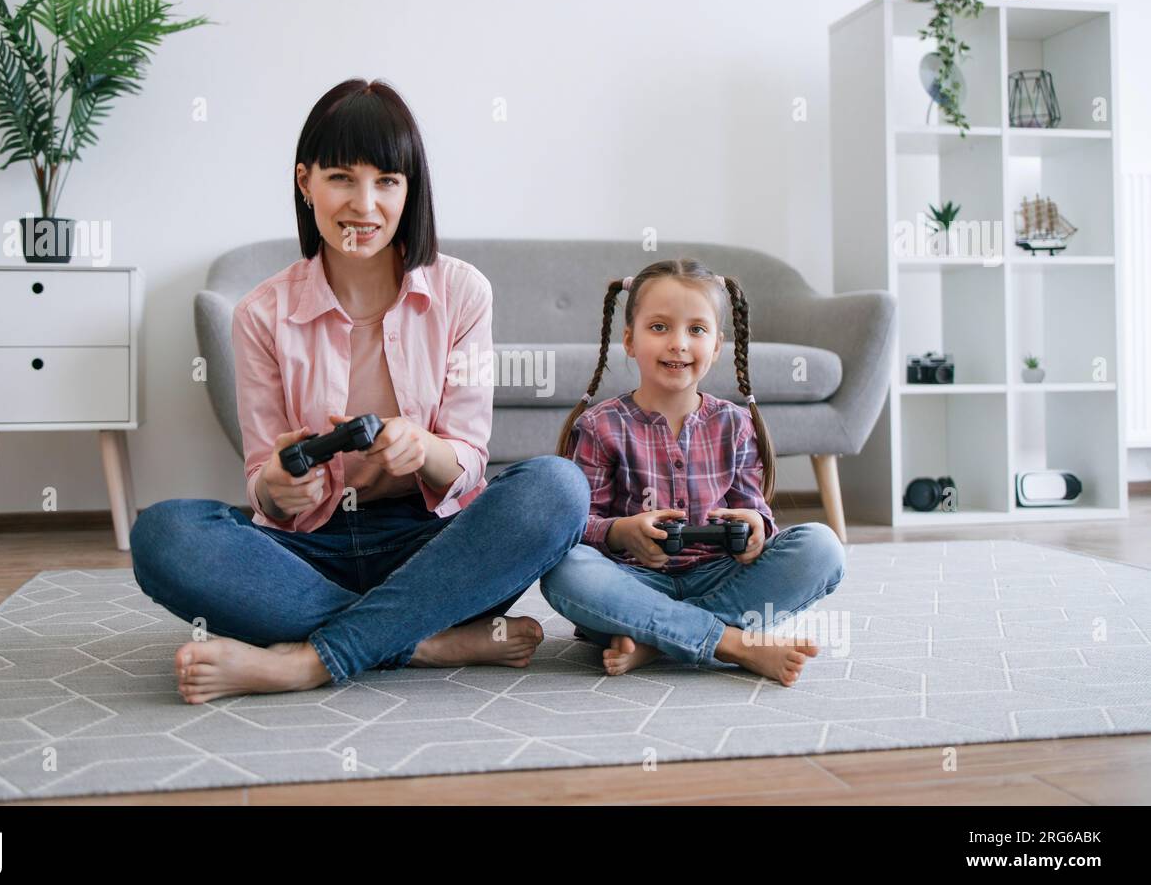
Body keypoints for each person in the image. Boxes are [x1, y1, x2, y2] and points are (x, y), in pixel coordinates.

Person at [130, 79, 590, 702]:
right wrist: (281, 485)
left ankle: (309, 661)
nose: (364, 205)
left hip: (433, 548)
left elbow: (469, 458)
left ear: (410, 189)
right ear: (305, 183)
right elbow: (263, 486)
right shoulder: (261, 314)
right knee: (164, 535)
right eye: (342, 178)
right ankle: (424, 640)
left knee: (557, 488)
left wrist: (423, 448)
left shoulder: (463, 293)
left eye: (387, 181)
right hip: (309, 552)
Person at [541, 258, 847, 686]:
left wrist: (755, 528)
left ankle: (658, 638)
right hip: (634, 584)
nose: (679, 344)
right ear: (629, 340)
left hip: (718, 577)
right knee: (565, 570)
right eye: (659, 327)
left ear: (717, 346)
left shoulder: (735, 423)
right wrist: (622, 531)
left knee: (822, 547)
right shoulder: (600, 425)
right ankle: (731, 643)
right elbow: (580, 524)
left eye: (696, 330)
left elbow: (756, 513)